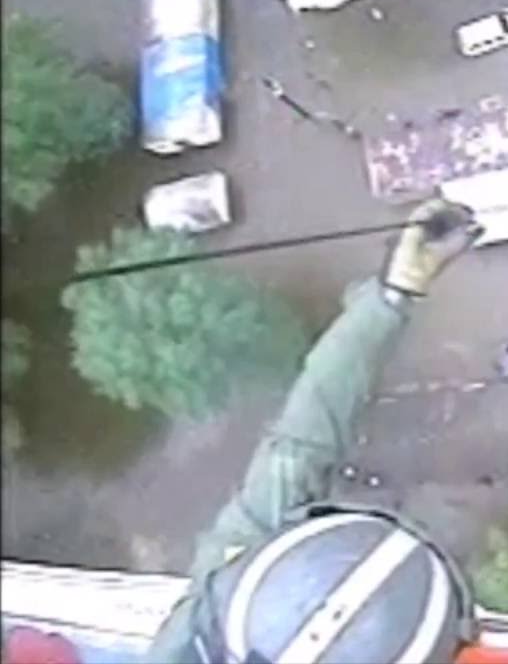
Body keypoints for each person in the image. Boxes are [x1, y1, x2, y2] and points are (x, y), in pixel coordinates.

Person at [145, 198, 484, 664]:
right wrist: (392, 296)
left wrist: (392, 297)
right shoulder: (220, 620)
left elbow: (300, 448)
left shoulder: (207, 631)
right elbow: (298, 449)